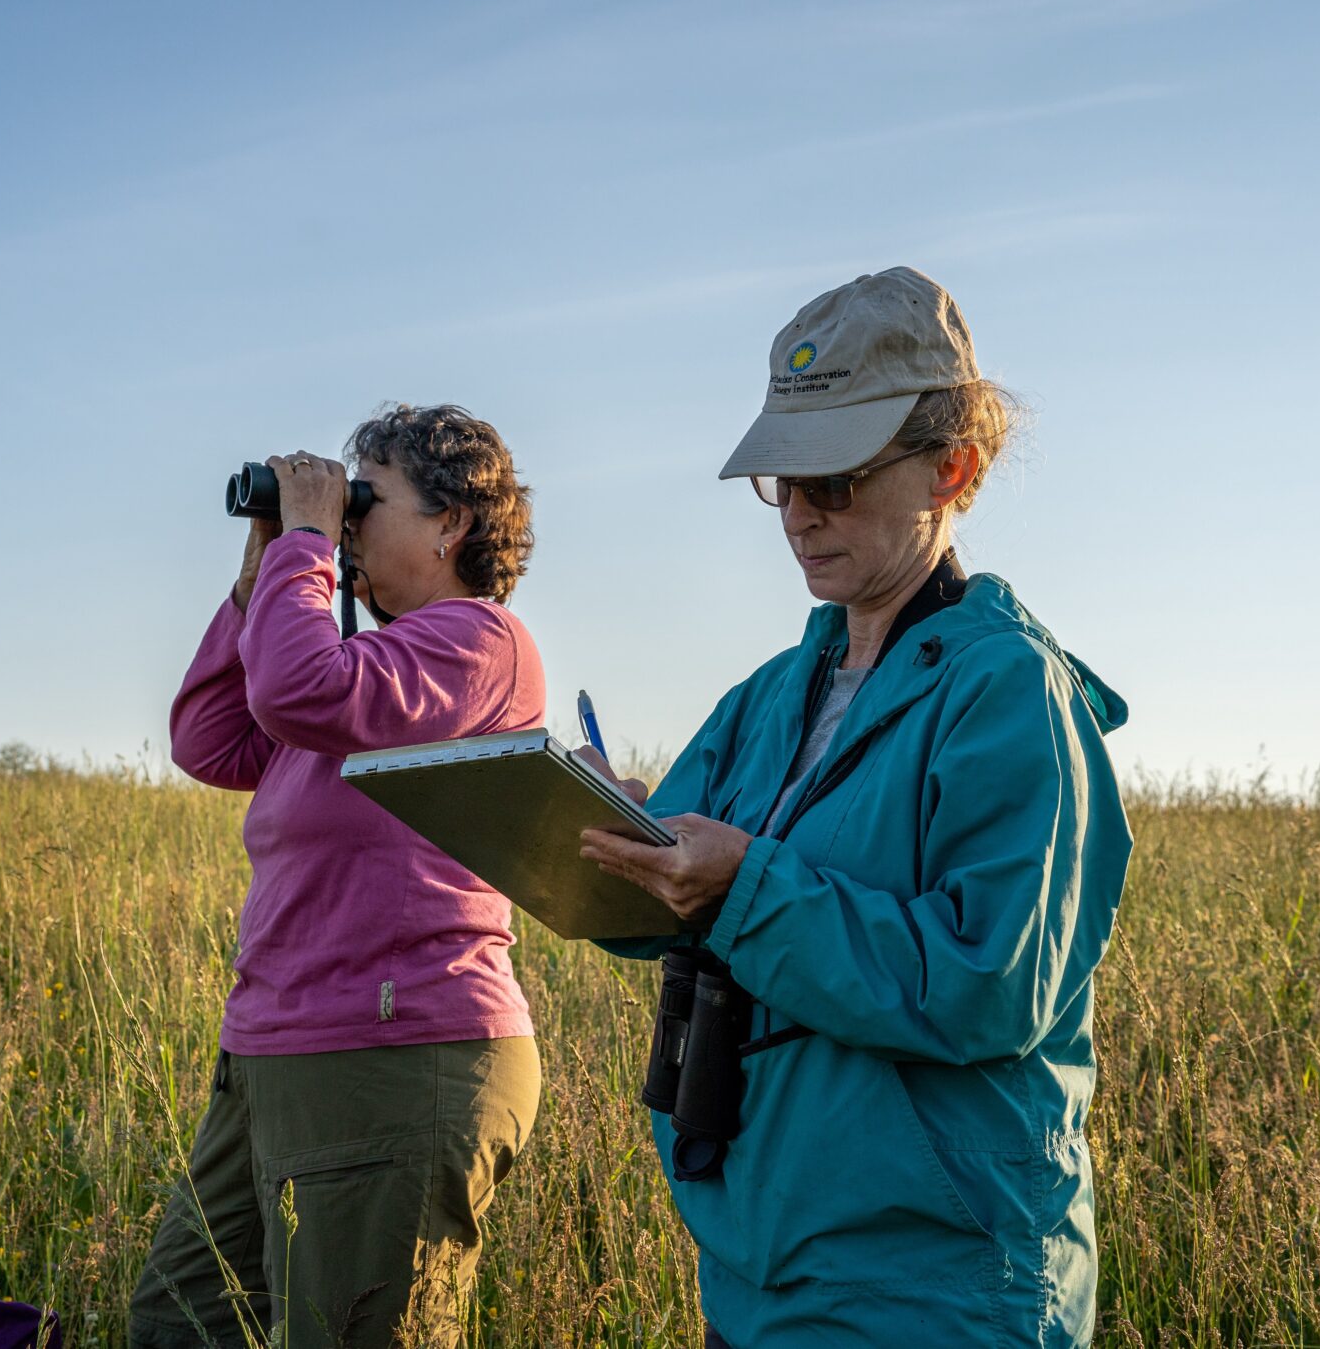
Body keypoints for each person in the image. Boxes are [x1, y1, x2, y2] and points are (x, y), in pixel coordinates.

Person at [579, 267, 1132, 1348]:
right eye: (781, 480)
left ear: (950, 468)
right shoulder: (772, 693)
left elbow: (988, 985)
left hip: (933, 1285)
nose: (797, 512)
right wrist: (608, 838)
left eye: (832, 476)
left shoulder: (1008, 689)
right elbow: (659, 913)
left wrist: (744, 884)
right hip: (759, 1262)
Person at [130, 404, 544, 1349]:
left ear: (453, 524)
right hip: (278, 1051)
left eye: (368, 502)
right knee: (179, 1323)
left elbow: (295, 689)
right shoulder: (361, 667)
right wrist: (260, 573)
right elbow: (210, 737)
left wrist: (306, 545)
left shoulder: (480, 644)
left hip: (394, 1054)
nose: (348, 527)